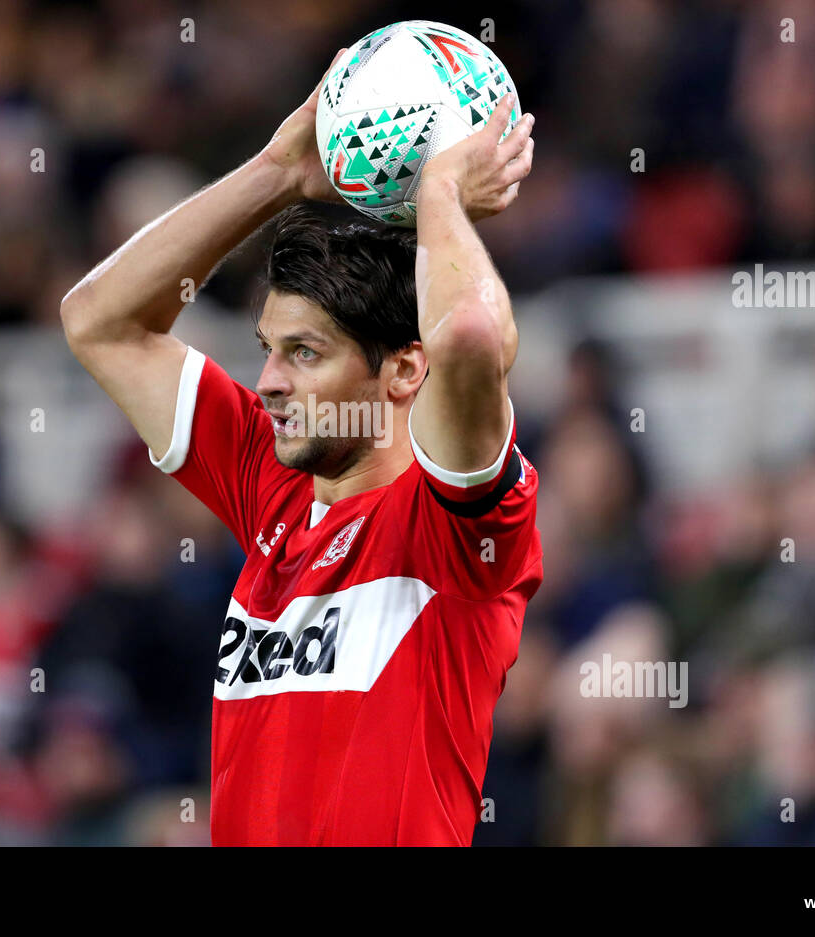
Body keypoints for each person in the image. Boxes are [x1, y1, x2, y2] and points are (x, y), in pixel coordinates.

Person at [59, 48, 542, 846]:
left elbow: (469, 334)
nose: (269, 382)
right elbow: (98, 321)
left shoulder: (453, 530)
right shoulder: (272, 492)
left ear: (401, 371)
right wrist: (278, 171)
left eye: (306, 353)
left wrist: (439, 190)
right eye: (268, 349)